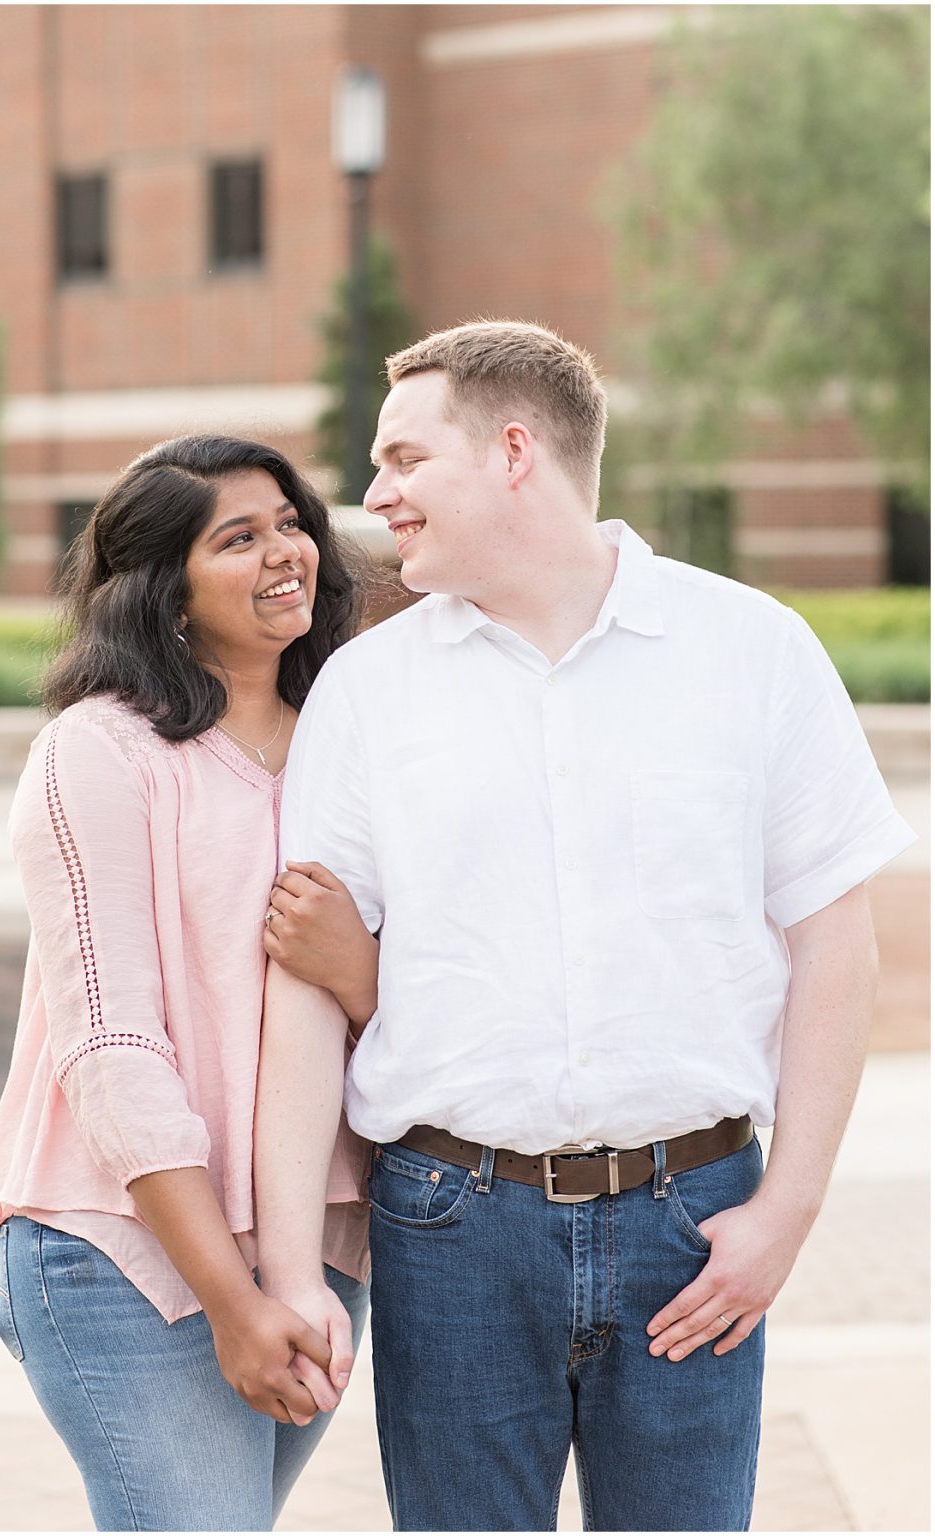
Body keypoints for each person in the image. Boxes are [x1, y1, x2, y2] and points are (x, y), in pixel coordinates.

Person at [254, 320, 915, 1533]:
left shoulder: (750, 651)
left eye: (404, 459)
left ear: (513, 452)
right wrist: (292, 1267)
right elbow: (299, 981)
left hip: (693, 1220)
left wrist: (786, 1213)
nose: (374, 494)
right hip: (447, 1227)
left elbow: (835, 939)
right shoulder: (368, 689)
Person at [0, 434, 379, 1533]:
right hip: (127, 1250)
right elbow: (109, 1047)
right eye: (238, 537)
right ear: (164, 587)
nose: (283, 551)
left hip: (323, 1235)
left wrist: (362, 975)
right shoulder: (98, 754)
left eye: (291, 523)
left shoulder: (350, 748)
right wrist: (231, 1301)